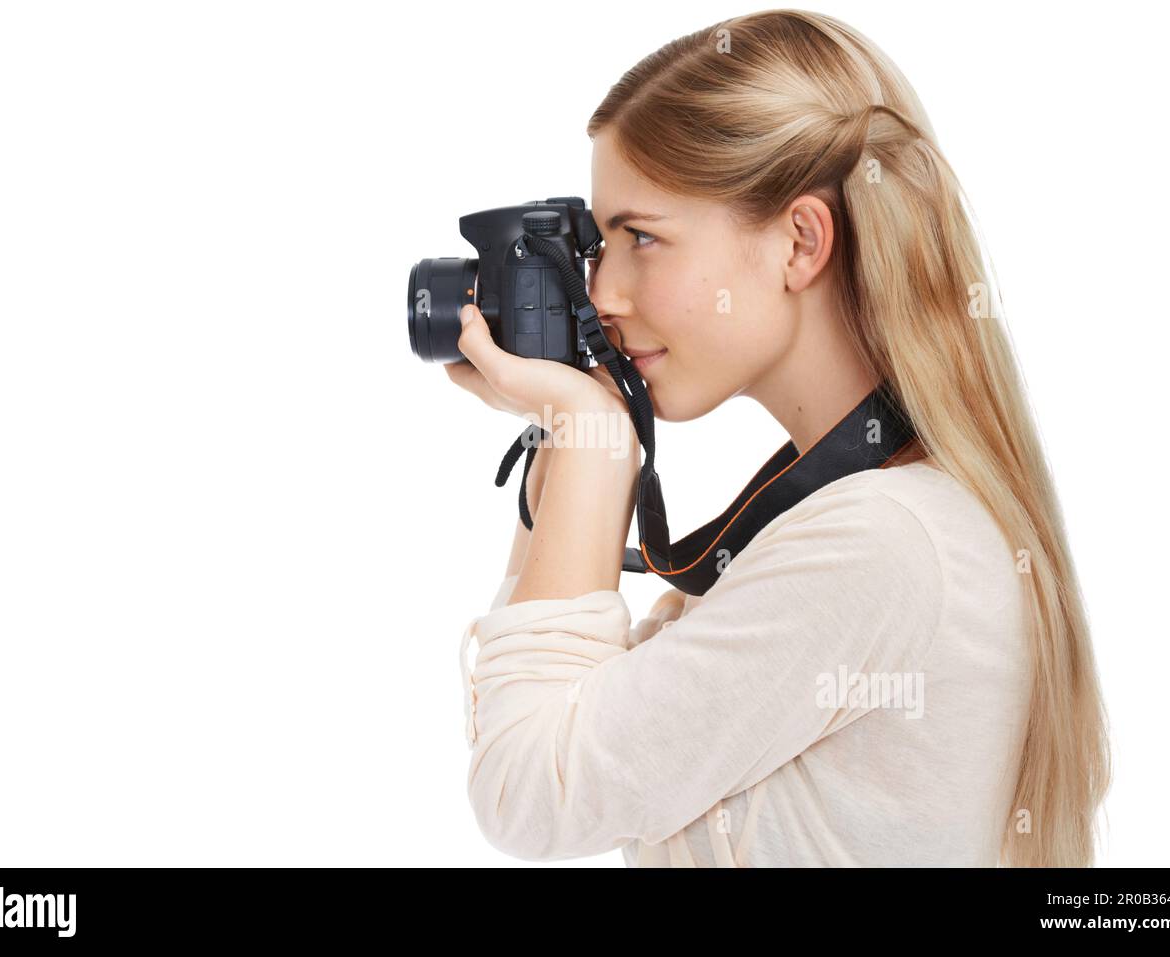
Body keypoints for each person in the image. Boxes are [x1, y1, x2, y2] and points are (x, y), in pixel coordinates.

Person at [446, 9, 1109, 867]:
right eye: (596, 245)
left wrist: (593, 443)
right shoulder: (861, 517)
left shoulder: (880, 543)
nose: (601, 292)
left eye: (640, 236)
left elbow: (531, 795)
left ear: (800, 243)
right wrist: (569, 439)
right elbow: (563, 723)